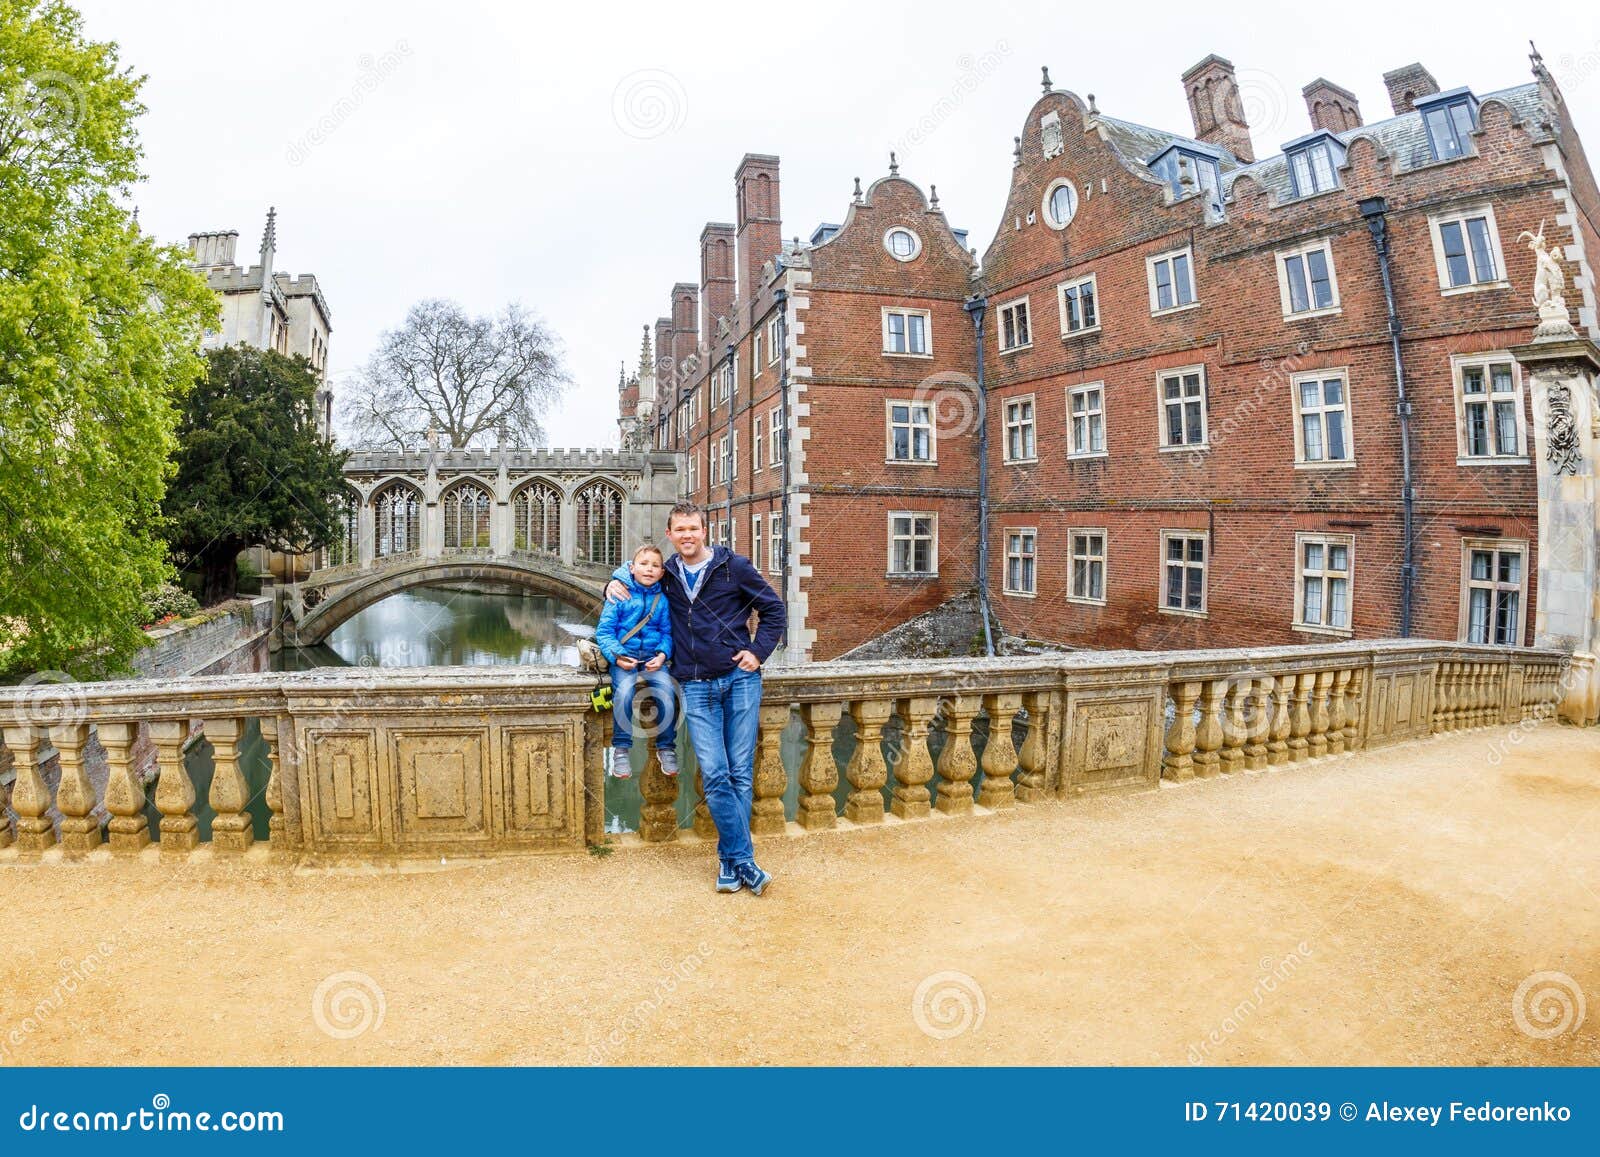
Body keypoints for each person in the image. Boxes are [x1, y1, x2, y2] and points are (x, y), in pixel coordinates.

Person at [606, 502, 785, 895]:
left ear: (705, 531)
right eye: (679, 530)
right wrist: (612, 581)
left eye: (693, 528)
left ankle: (729, 860)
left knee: (739, 773)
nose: (687, 535)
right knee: (716, 773)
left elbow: (774, 610)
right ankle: (745, 862)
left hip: (740, 680)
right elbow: (635, 573)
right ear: (670, 535)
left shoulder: (732, 567)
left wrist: (758, 652)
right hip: (696, 684)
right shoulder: (666, 573)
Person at [594, 544, 677, 778]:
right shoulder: (619, 594)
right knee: (624, 693)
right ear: (631, 568)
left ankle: (667, 747)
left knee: (666, 691)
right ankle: (621, 750)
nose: (649, 569)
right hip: (624, 656)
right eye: (643, 564)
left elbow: (667, 633)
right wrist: (618, 656)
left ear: (662, 572)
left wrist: (662, 655)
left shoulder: (662, 599)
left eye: (655, 566)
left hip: (652, 658)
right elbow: (604, 632)